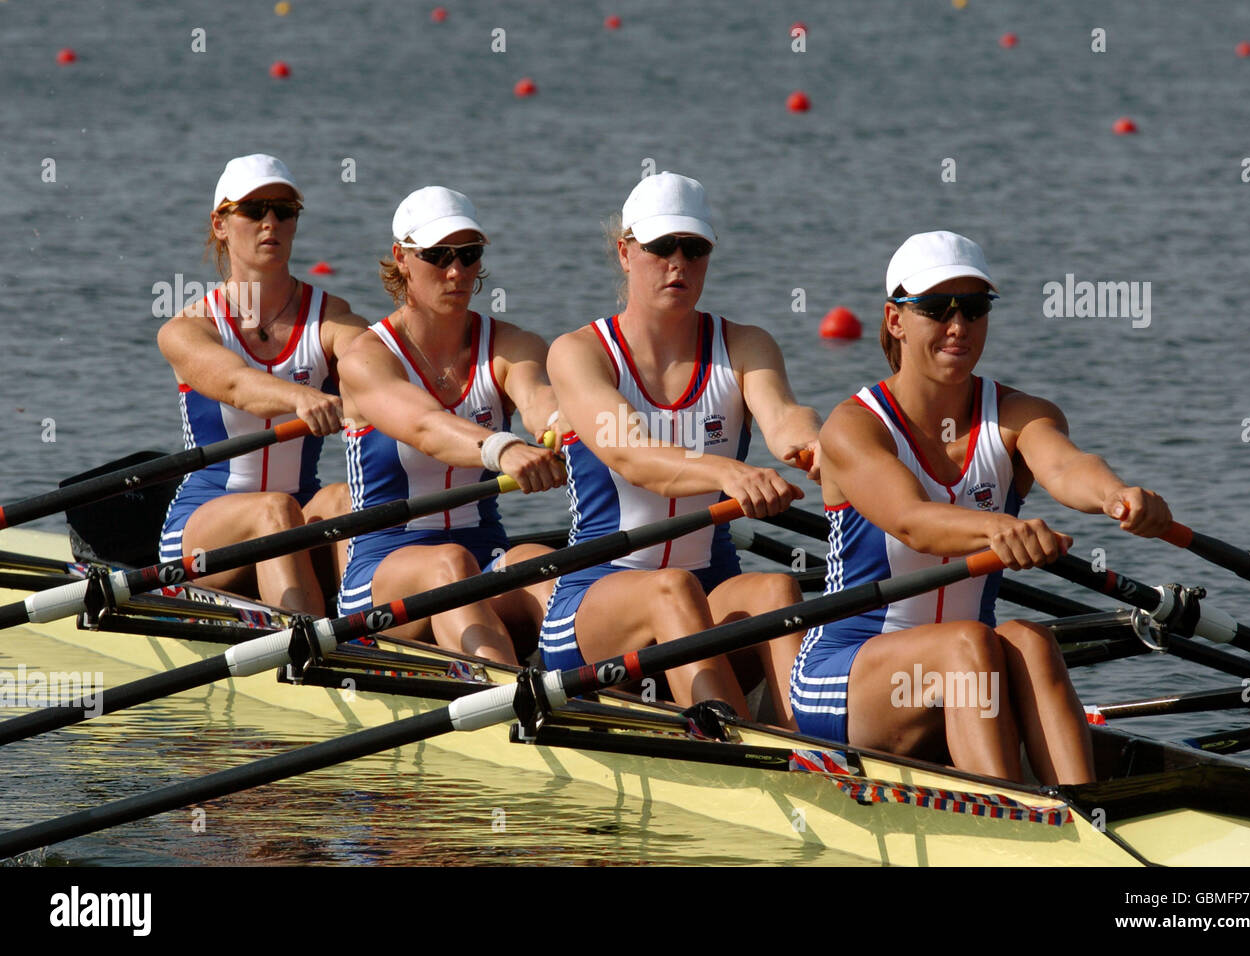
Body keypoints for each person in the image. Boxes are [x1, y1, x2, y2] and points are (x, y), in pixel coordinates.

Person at [790, 231, 1172, 784]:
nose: (957, 327)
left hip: (968, 673)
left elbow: (1067, 467)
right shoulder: (853, 426)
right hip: (844, 674)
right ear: (895, 319)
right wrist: (999, 529)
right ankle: (1014, 818)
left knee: (1030, 640)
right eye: (936, 309)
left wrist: (1118, 495)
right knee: (968, 642)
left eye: (973, 309)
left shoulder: (1019, 413)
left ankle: (1087, 811)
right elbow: (913, 522)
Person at [541, 172, 822, 727]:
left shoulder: (744, 345)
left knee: (775, 588)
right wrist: (730, 472)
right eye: (660, 247)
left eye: (694, 248)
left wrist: (823, 450)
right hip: (594, 608)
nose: (679, 263)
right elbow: (633, 456)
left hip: (712, 591)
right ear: (625, 253)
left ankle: (811, 750)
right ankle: (743, 757)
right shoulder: (579, 353)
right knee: (670, 588)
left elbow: (786, 420)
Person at [337, 186, 566, 663]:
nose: (456, 271)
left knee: (547, 567)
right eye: (438, 256)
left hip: (487, 556)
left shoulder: (513, 344)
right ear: (401, 258)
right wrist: (505, 449)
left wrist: (563, 424)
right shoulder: (366, 359)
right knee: (449, 564)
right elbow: (424, 426)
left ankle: (621, 702)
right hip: (379, 576)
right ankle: (514, 705)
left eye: (469, 254)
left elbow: (538, 397)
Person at [157, 154, 367, 615]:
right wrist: (302, 397)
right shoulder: (188, 328)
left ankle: (377, 639)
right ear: (221, 224)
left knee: (352, 499)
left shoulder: (334, 318)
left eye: (284, 211)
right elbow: (237, 386)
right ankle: (312, 656)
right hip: (205, 523)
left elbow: (376, 376)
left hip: (300, 509)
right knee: (273, 510)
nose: (270, 222)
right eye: (254, 211)